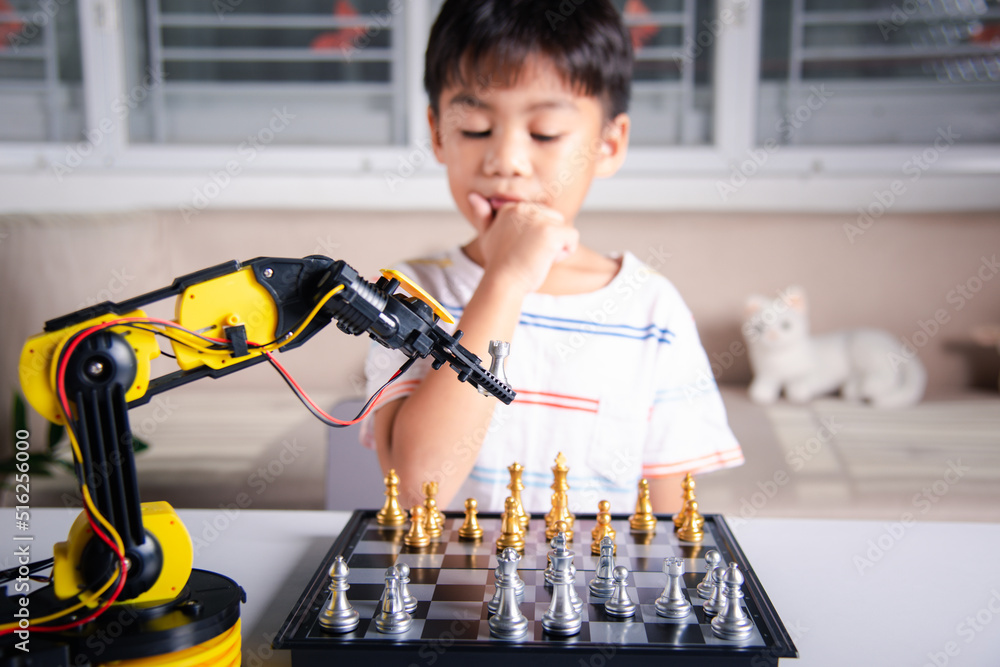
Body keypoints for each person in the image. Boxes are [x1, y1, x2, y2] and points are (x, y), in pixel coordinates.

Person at [361, 0, 743, 514]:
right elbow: (413, 492)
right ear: (437, 134)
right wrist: (506, 279)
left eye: (544, 134)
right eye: (475, 127)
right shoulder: (406, 295)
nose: (507, 161)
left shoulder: (652, 309)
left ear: (608, 143)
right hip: (449, 592)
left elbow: (668, 528)